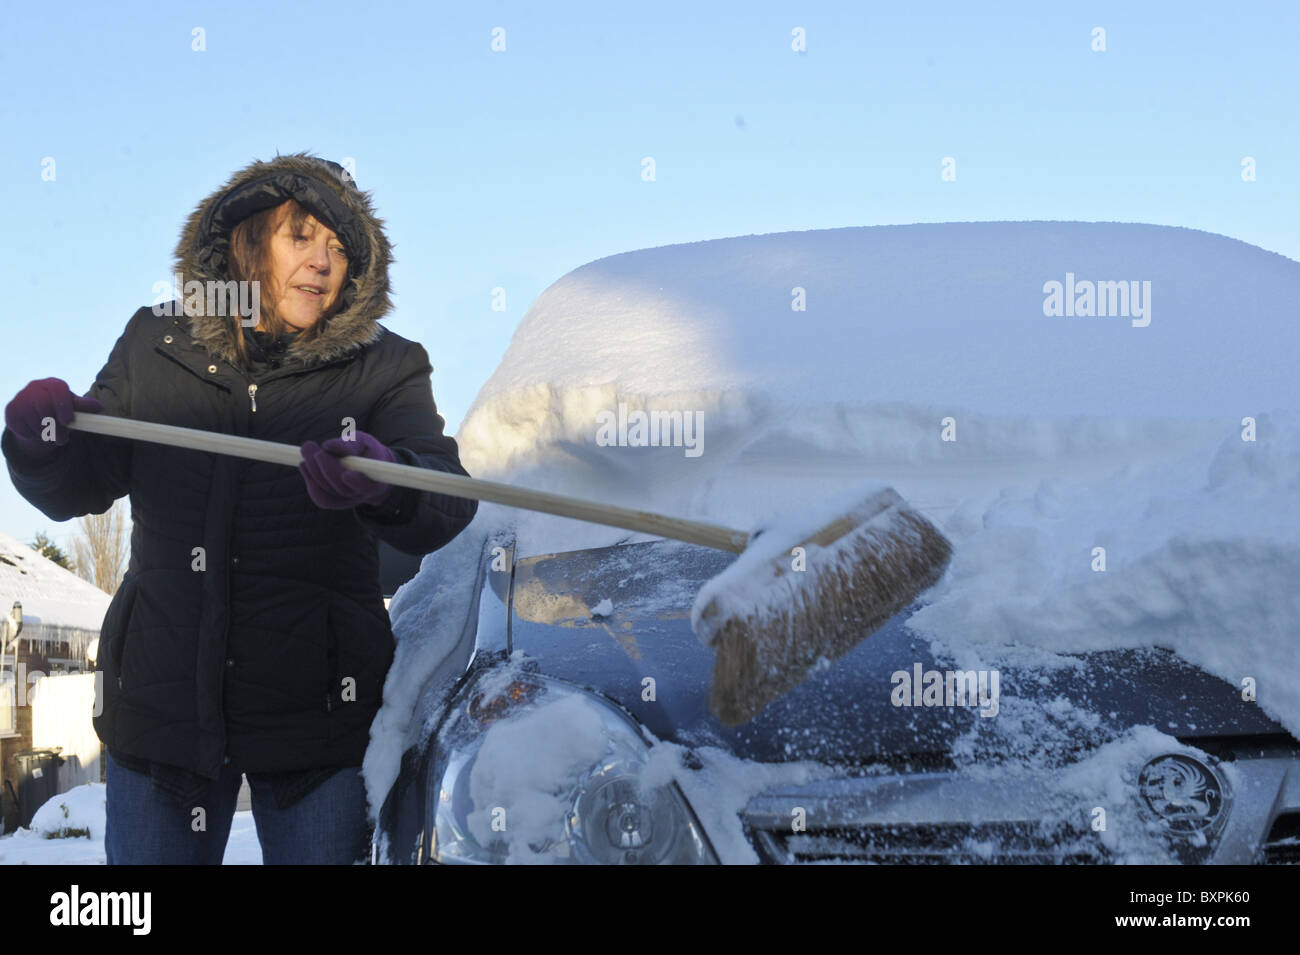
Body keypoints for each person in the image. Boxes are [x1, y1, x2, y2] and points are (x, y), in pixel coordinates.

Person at [1, 153, 478, 864]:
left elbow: (446, 492)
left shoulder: (386, 366)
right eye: (301, 237)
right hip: (163, 715)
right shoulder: (155, 342)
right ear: (247, 243)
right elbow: (84, 481)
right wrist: (40, 445)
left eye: (340, 249)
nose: (322, 262)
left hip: (318, 723)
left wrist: (387, 478)